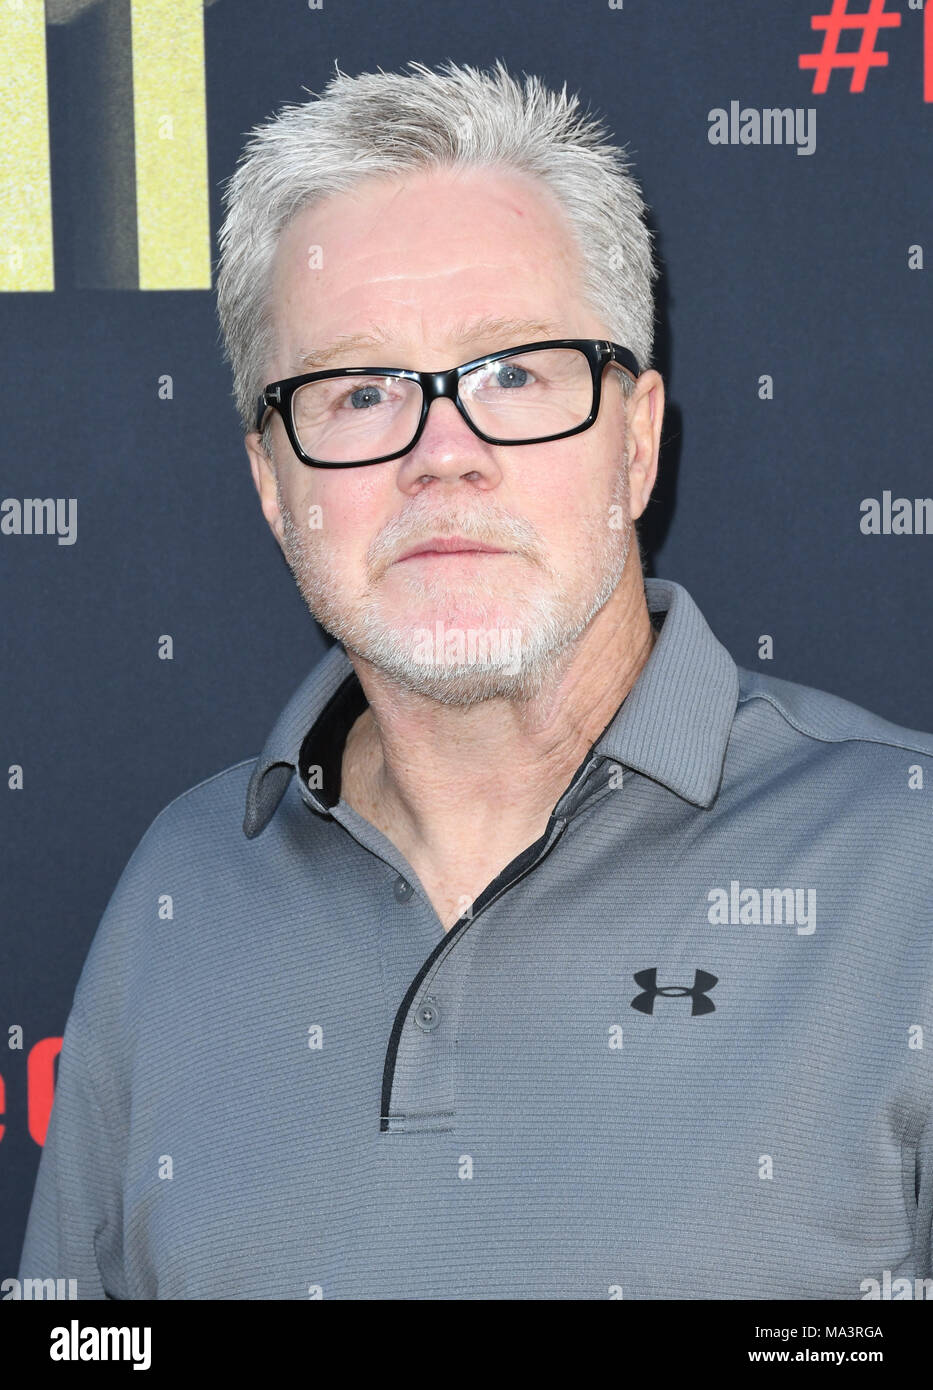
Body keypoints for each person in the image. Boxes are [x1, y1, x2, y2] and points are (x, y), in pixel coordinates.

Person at [18, 58, 933, 1300]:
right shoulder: (177, 893)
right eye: (358, 389)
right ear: (275, 485)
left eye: (515, 372)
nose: (444, 455)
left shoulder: (909, 869)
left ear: (640, 436)